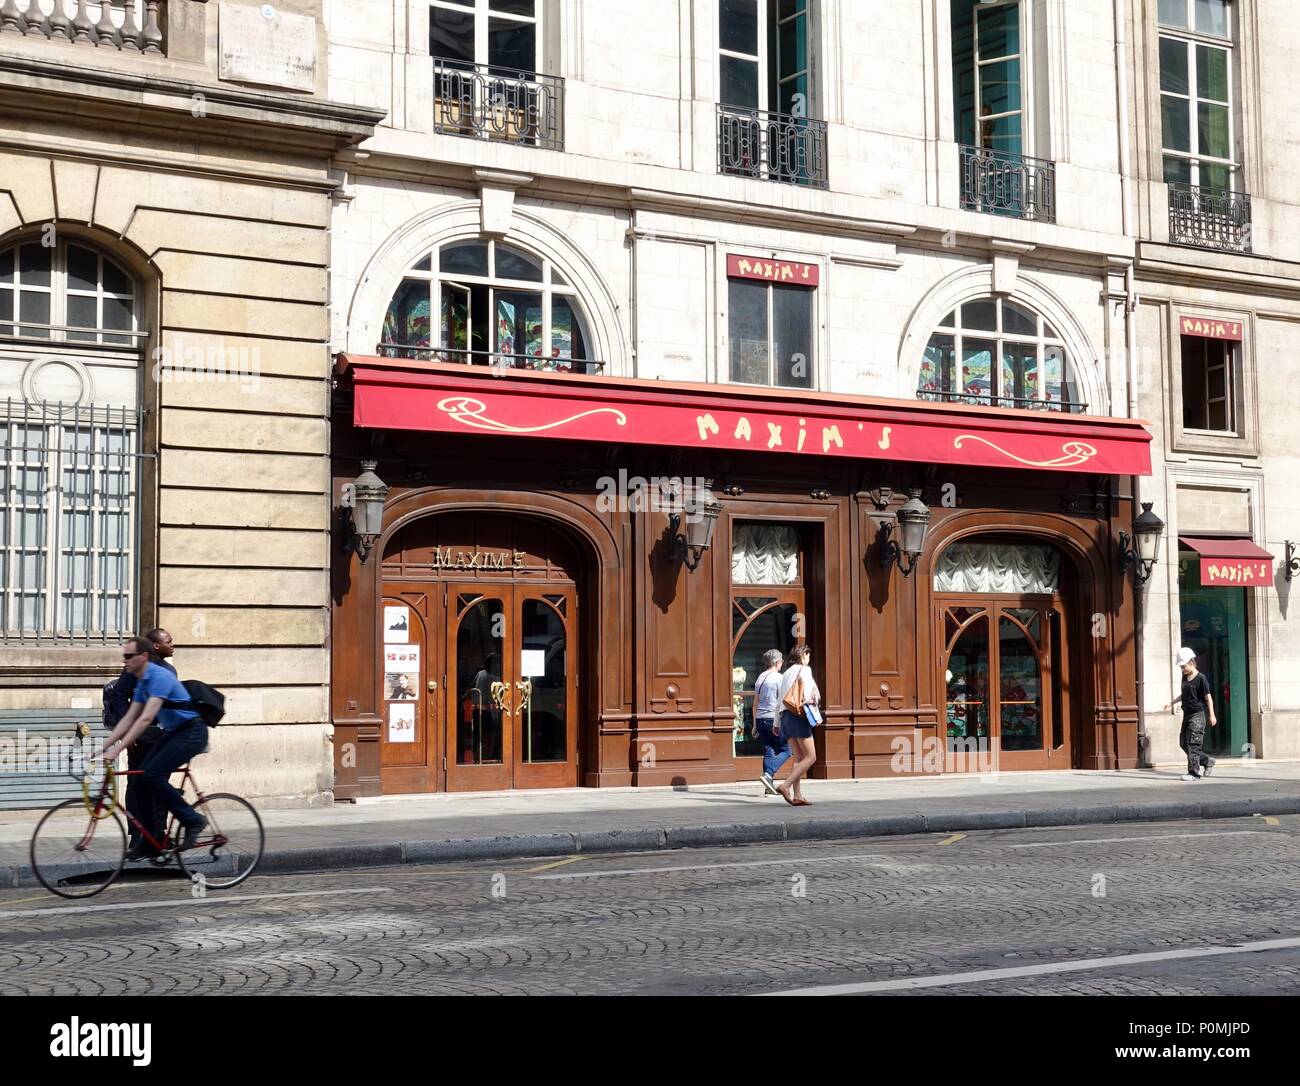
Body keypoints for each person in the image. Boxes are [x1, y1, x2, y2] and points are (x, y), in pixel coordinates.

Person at [100, 636, 209, 852]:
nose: (125, 661)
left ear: (144, 656)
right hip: (174, 733)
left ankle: (192, 819)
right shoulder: (143, 681)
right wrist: (103, 747)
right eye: (124, 657)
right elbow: (129, 718)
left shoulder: (160, 676)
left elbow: (145, 719)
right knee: (141, 781)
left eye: (129, 657)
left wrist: (117, 750)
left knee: (152, 775)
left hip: (191, 733)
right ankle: (151, 839)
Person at [102, 629, 177, 859]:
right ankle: (137, 835)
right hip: (140, 739)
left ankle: (159, 833)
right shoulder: (134, 667)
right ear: (155, 646)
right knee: (136, 784)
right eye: (168, 642)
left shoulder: (169, 671)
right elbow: (118, 696)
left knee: (158, 783)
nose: (173, 645)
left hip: (162, 736)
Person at [776, 645, 821, 807]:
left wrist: (776, 723)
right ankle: (785, 785)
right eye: (807, 656)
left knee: (799, 757)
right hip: (798, 716)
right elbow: (808, 692)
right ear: (803, 657)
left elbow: (780, 699)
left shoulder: (786, 673)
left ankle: (798, 795)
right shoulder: (804, 670)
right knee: (811, 757)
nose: (808, 659)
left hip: (785, 717)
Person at [1163, 646, 1217, 781]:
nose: (1182, 669)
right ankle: (1206, 761)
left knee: (1193, 743)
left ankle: (1194, 773)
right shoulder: (1184, 678)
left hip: (1198, 715)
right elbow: (1184, 694)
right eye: (1181, 667)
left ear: (1191, 663)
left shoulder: (1201, 678)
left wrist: (1212, 714)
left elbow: (1208, 697)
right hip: (1187, 714)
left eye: (1183, 666)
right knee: (1183, 743)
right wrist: (1171, 703)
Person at [752, 649, 790, 795]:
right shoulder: (779, 678)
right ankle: (768, 776)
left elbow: (755, 703)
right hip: (772, 718)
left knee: (769, 750)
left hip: (761, 719)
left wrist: (755, 724)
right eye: (781, 661)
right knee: (787, 750)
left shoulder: (760, 678)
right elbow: (782, 701)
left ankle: (768, 786)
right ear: (776, 662)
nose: (782, 664)